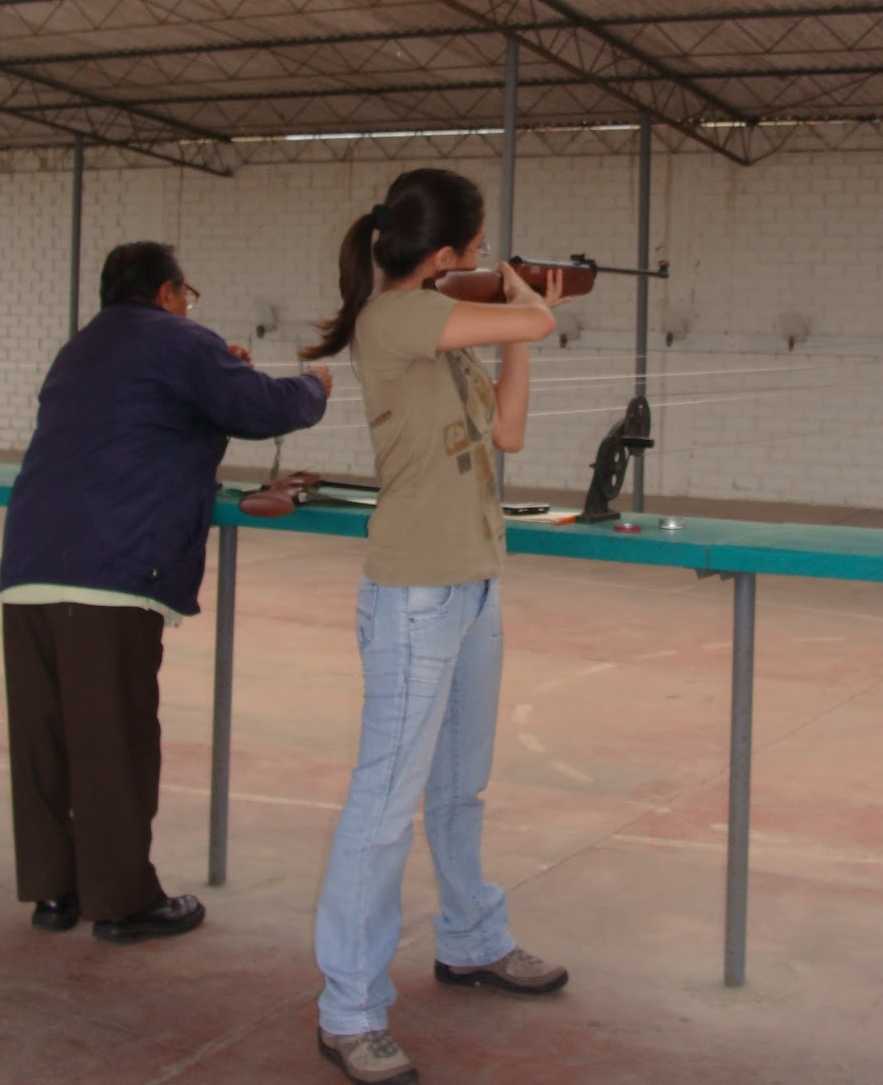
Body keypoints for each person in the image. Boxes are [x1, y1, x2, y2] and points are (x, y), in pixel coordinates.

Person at [304, 168, 569, 1085]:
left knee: (460, 786)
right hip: (417, 592)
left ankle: (470, 938)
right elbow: (532, 318)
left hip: (471, 582)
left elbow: (509, 436)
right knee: (384, 805)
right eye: (477, 245)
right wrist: (531, 298)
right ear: (449, 255)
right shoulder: (395, 319)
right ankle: (348, 1009)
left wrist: (522, 315)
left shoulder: (445, 335)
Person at [0, 240, 333, 944]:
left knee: (45, 739)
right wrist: (315, 386)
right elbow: (263, 408)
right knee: (112, 738)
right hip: (110, 570)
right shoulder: (179, 339)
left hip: (29, 562)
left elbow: (151, 416)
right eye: (188, 295)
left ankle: (54, 893)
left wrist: (217, 372)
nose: (189, 307)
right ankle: (122, 901)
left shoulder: (79, 350)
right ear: (166, 292)